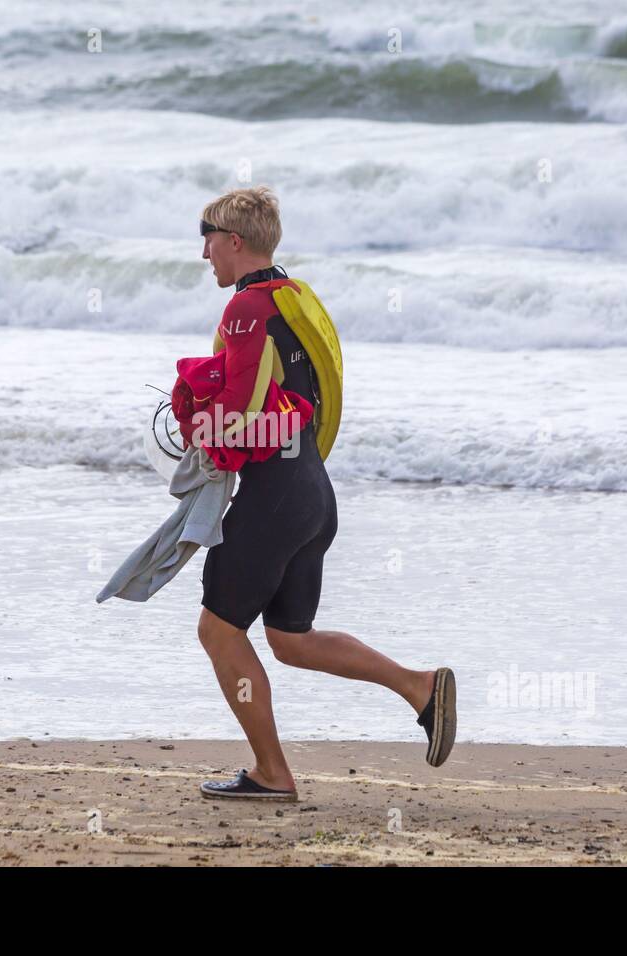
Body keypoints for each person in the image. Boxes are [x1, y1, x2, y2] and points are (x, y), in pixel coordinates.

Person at [192, 186, 456, 801]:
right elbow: (299, 399)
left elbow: (236, 412)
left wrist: (195, 425)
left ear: (234, 241)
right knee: (290, 639)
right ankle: (421, 687)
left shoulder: (244, 310)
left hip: (278, 495)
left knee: (219, 631)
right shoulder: (295, 297)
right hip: (312, 489)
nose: (203, 254)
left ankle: (271, 774)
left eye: (207, 239)